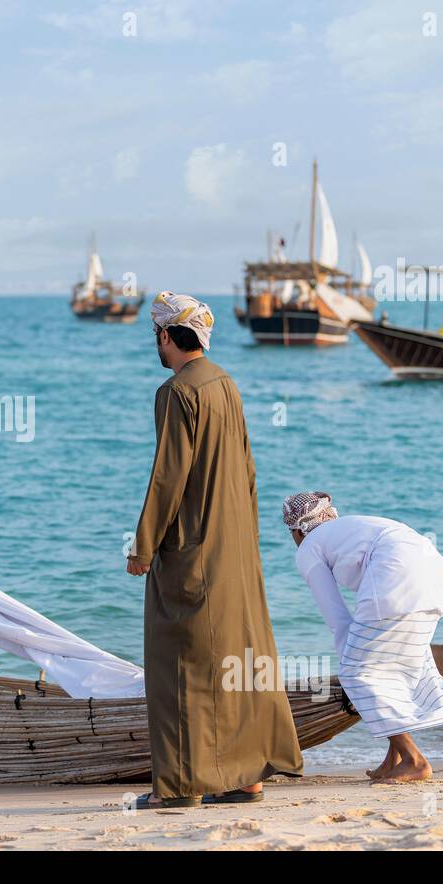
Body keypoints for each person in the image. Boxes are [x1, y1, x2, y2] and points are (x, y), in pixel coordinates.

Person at [127, 292, 302, 808]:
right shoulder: (226, 384)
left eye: (154, 335)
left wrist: (143, 546)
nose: (155, 345)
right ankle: (247, 776)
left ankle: (179, 787)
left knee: (178, 663)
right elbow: (247, 469)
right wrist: (246, 541)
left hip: (191, 551)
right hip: (235, 548)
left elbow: (167, 479)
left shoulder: (177, 391)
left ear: (166, 335)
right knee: (238, 657)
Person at [282, 493, 443, 783]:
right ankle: (393, 758)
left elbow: (338, 619)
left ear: (298, 530)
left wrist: (352, 671)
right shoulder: (350, 528)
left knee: (359, 673)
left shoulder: (308, 547)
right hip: (434, 571)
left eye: (290, 532)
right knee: (399, 668)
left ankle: (414, 759)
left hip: (395, 571)